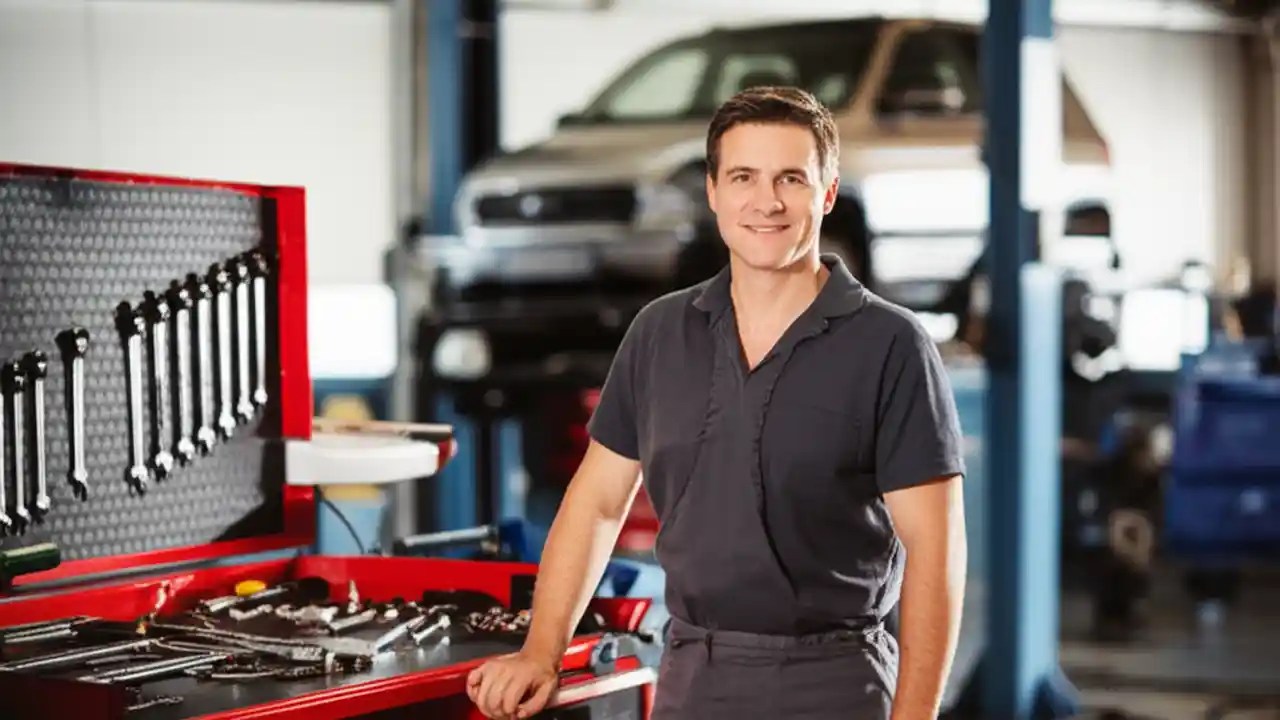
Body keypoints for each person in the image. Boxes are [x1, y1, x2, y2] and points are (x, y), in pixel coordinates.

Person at [466, 86, 968, 720]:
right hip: (692, 679)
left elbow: (936, 550)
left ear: (828, 193)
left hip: (836, 683)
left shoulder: (891, 346)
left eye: (791, 178)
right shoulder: (659, 333)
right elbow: (596, 503)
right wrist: (542, 651)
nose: (766, 201)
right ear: (713, 192)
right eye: (743, 177)